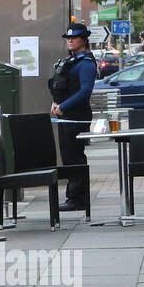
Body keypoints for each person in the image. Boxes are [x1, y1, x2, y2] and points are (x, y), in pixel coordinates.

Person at [48, 22, 97, 213]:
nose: (70, 41)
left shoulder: (85, 64)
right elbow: (60, 85)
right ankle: (74, 196)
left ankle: (78, 198)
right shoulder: (71, 61)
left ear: (83, 40)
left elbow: (85, 92)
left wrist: (63, 106)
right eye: (68, 38)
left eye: (74, 38)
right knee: (68, 156)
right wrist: (55, 102)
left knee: (75, 157)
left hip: (76, 116)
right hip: (65, 115)